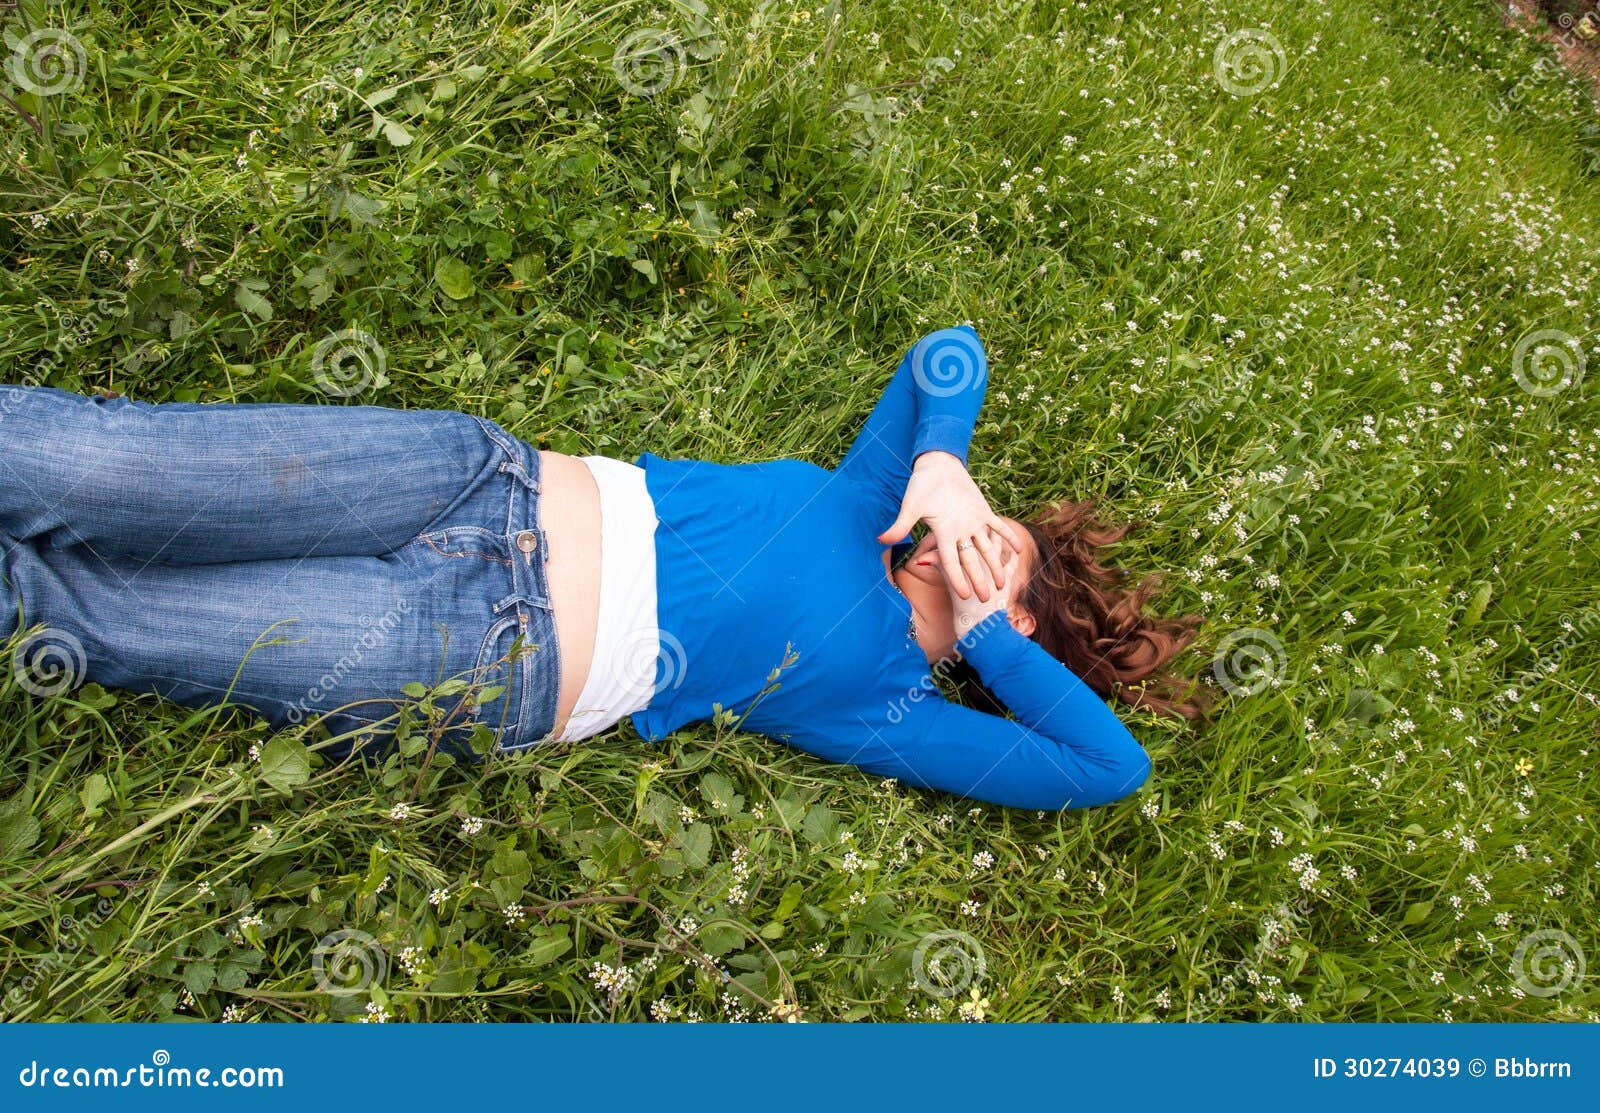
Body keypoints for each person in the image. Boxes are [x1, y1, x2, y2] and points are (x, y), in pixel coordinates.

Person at [0, 324, 1204, 811]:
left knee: (92, 613)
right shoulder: (866, 501)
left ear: (1025, 631)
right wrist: (942, 467)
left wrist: (987, 635)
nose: (978, 538)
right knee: (97, 461)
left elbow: (1107, 766)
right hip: (476, 481)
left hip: (479, 656)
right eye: (993, 519)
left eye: (1006, 558)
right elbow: (952, 349)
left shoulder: (884, 702)